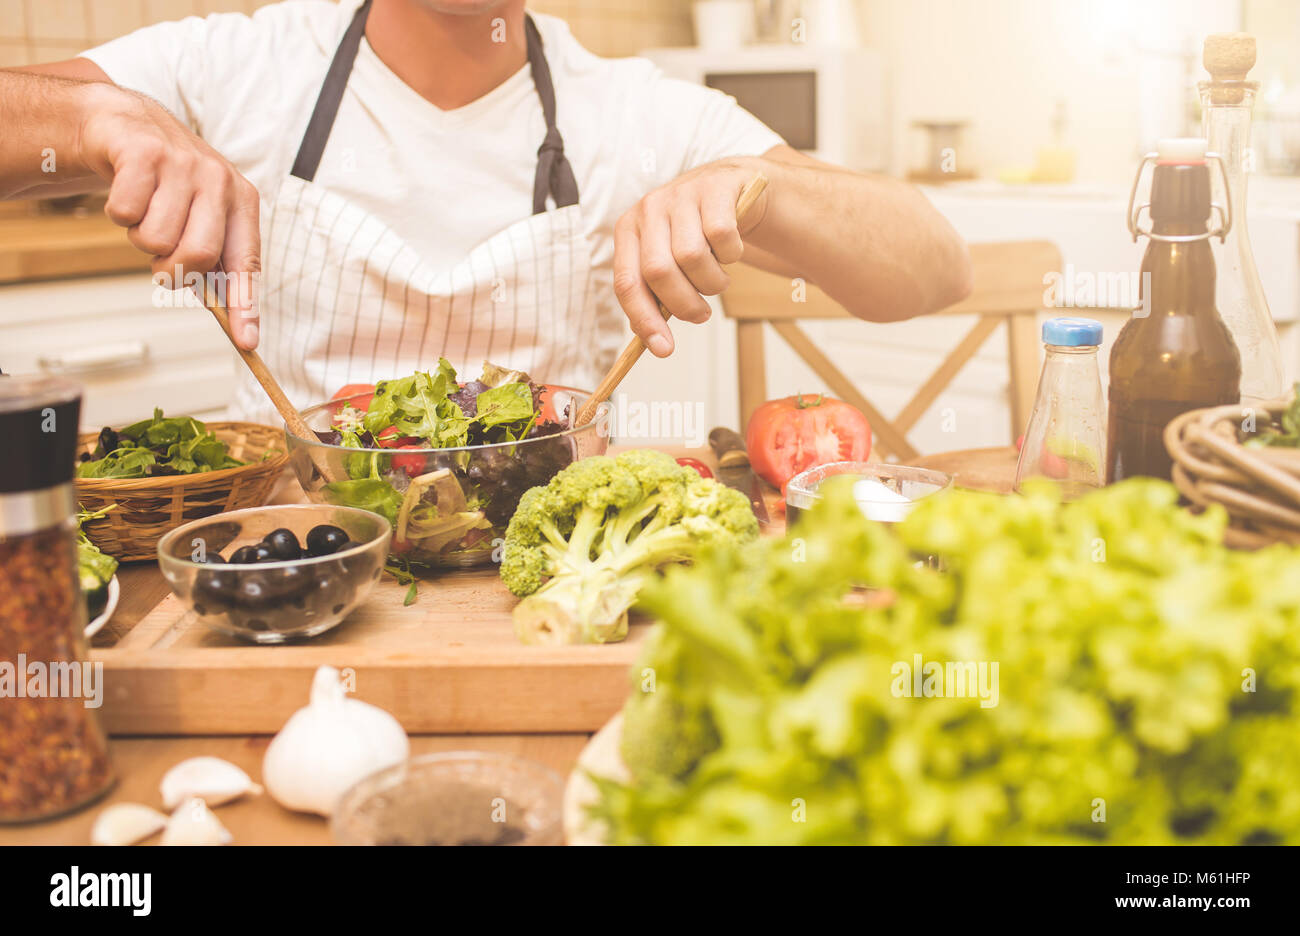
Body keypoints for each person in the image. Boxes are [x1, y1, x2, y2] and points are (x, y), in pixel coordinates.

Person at [0, 0, 971, 421]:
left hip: (551, 598)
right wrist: (95, 117)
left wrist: (767, 188)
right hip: (290, 581)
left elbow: (931, 268)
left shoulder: (634, 110)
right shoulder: (236, 67)